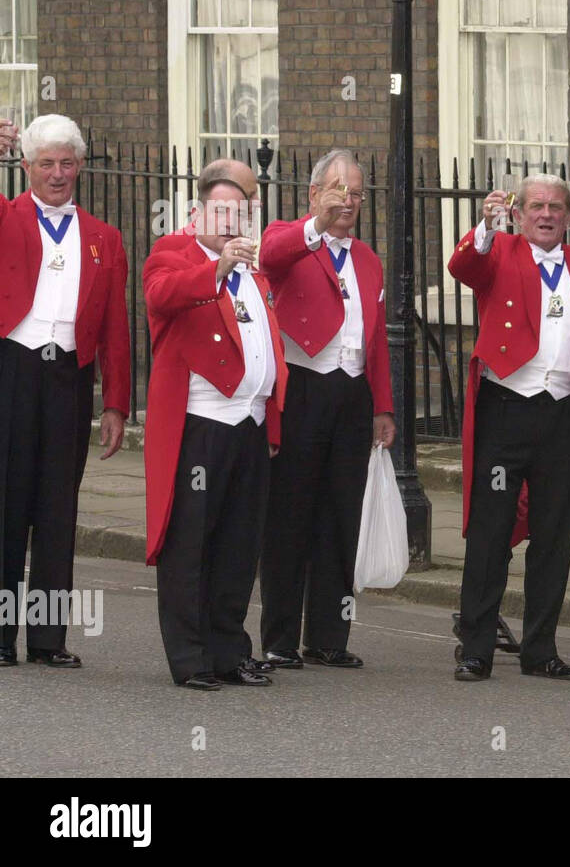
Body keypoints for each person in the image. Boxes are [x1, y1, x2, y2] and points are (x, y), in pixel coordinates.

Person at [449, 174, 570, 682]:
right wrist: (487, 227)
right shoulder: (501, 250)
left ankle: (541, 649)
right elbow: (463, 265)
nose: (546, 214)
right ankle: (476, 647)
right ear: (519, 213)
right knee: (490, 533)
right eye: (536, 205)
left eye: (556, 207)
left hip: (562, 412)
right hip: (506, 406)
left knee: (554, 536)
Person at [143, 160, 288, 689]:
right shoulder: (172, 256)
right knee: (190, 545)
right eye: (220, 211)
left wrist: (270, 423)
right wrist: (218, 268)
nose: (230, 223)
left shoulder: (255, 271)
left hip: (247, 424)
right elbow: (163, 296)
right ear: (196, 213)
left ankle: (230, 650)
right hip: (198, 425)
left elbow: (267, 349)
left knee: (237, 545)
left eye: (240, 212)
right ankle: (190, 657)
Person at [257, 150, 395, 670]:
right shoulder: (290, 239)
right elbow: (270, 256)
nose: (348, 200)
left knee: (342, 517)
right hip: (303, 390)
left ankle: (329, 637)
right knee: (290, 517)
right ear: (314, 194)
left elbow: (375, 339)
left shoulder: (367, 259)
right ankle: (279, 639)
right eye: (338, 189)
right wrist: (313, 227)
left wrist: (382, 405)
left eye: (356, 192)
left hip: (350, 394)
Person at [0, 114, 129, 669]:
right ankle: (1, 638)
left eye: (67, 162)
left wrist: (117, 402)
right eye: (46, 163)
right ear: (26, 166)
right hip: (13, 369)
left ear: (80, 166)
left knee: (58, 507)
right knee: (8, 504)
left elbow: (116, 328)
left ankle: (48, 640)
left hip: (69, 379)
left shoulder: (104, 237)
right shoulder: (8, 217)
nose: (57, 173)